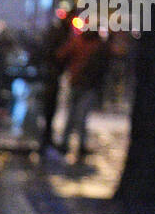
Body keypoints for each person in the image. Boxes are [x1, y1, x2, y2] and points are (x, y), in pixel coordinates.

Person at [56, 24, 109, 160]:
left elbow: (61, 55)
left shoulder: (78, 41)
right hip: (88, 85)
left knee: (72, 114)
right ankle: (80, 145)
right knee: (82, 116)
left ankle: (65, 143)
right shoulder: (98, 46)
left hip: (76, 81)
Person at [36, 8, 74, 153]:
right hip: (51, 74)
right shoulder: (60, 32)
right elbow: (56, 53)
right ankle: (45, 139)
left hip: (53, 74)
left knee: (50, 108)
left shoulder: (60, 31)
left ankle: (46, 138)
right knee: (49, 108)